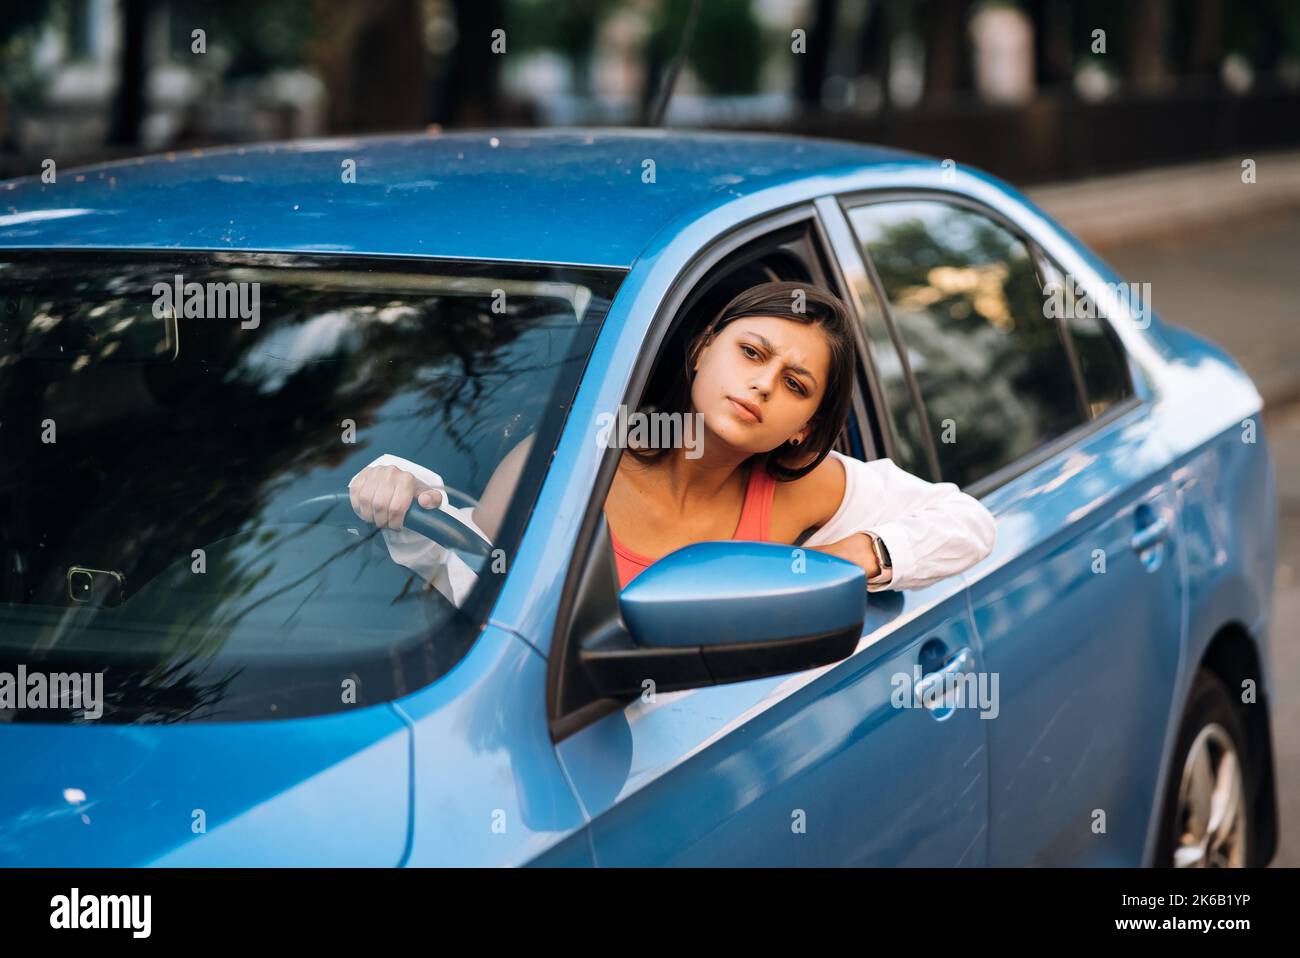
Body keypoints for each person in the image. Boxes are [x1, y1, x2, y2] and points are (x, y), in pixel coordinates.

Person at [347, 281, 996, 605]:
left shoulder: (806, 486)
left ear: (803, 424)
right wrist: (402, 496)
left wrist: (854, 556)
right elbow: (466, 589)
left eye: (795, 383)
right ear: (703, 348)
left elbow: (969, 521)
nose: (763, 384)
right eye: (751, 352)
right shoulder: (560, 465)